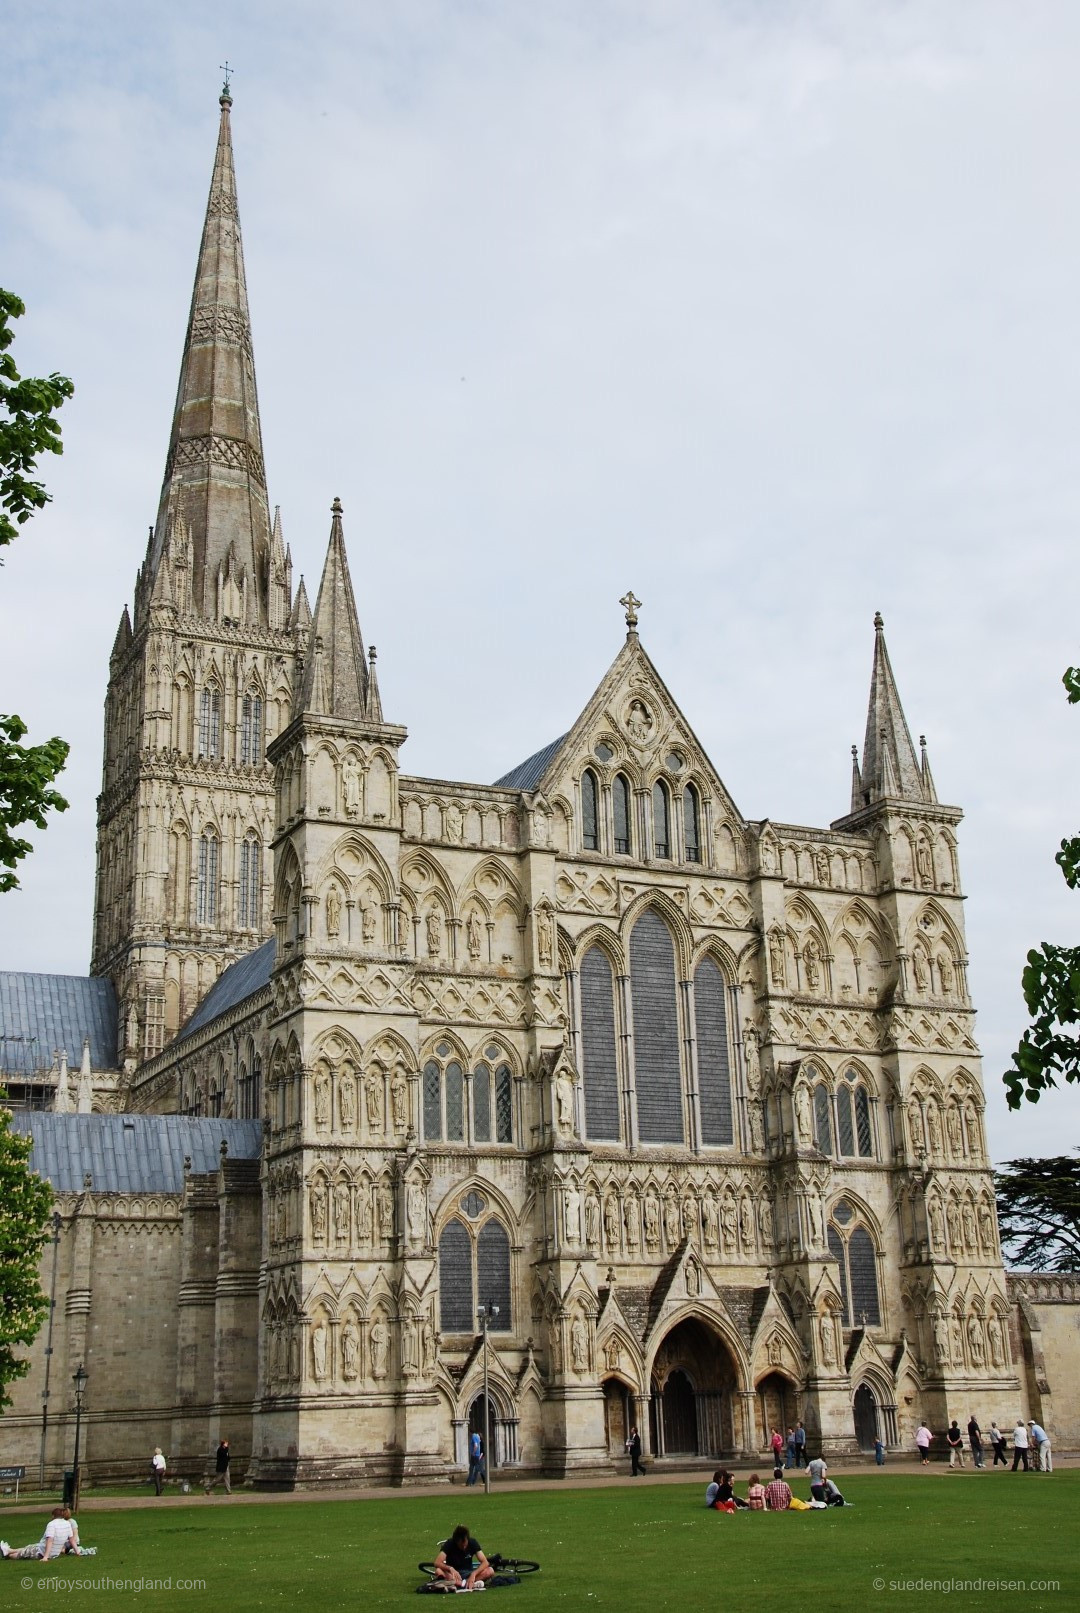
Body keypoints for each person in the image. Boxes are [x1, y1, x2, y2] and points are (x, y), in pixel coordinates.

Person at [433, 1525, 495, 1590]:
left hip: (468, 1573)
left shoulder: (472, 1542)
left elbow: (485, 1562)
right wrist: (450, 1568)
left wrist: (474, 1574)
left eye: (465, 1545)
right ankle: (470, 1584)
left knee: (490, 1571)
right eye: (461, 1545)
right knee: (438, 1571)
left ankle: (460, 1584)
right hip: (453, 1574)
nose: (464, 1547)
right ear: (456, 1541)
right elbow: (437, 1563)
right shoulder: (449, 1543)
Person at [2, 1507, 75, 1561]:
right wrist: (77, 1551)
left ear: (53, 1516)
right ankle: (8, 1550)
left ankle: (7, 1553)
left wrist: (45, 1557)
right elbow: (72, 1539)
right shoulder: (67, 1524)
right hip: (54, 1553)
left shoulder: (52, 1524)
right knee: (28, 1548)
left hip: (41, 1552)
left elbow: (50, 1540)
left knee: (19, 1555)